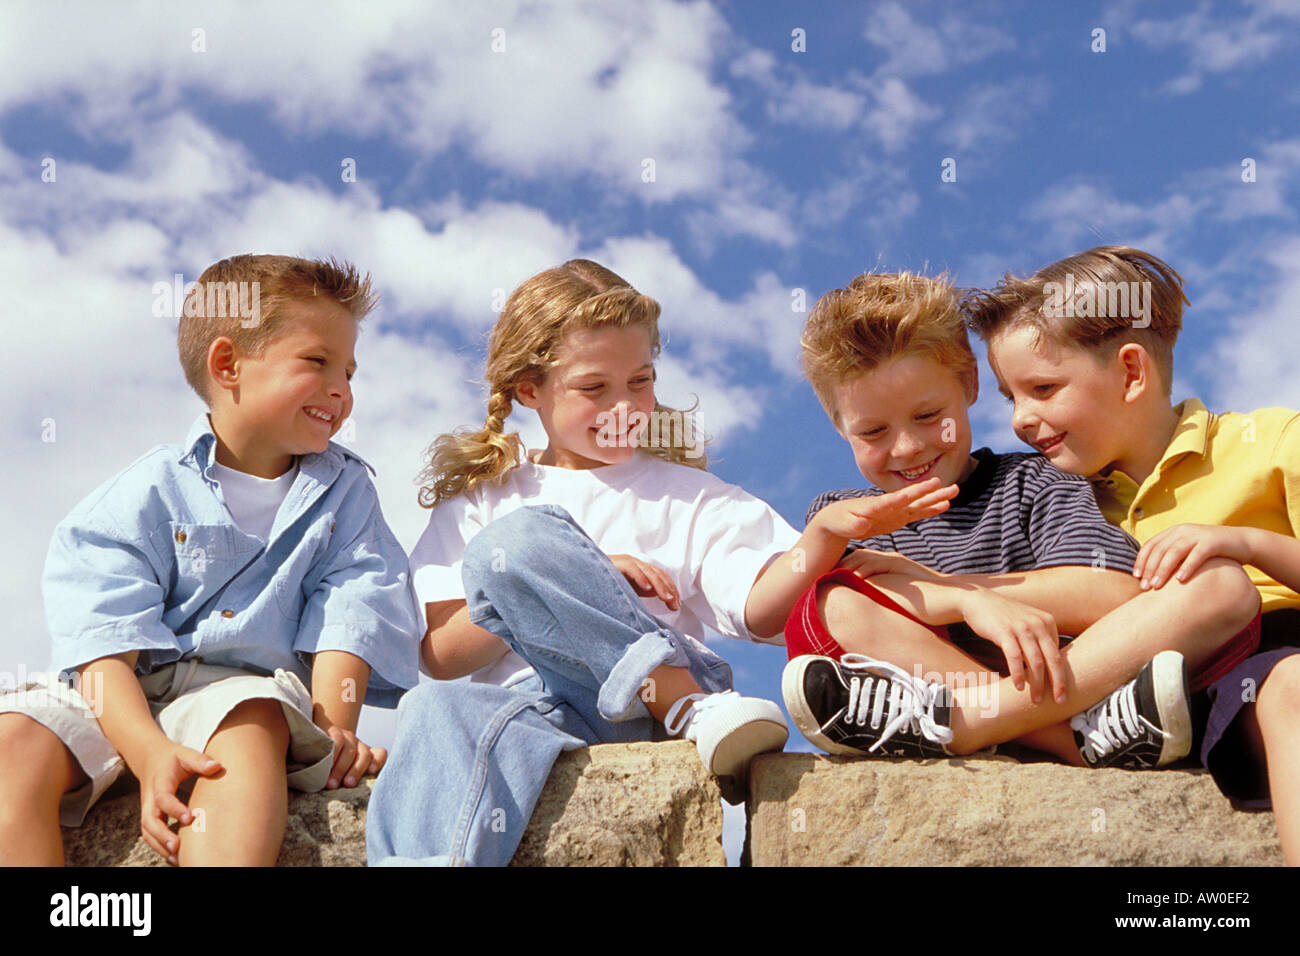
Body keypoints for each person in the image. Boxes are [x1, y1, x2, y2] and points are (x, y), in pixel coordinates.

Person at [366, 259, 804, 866]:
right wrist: (554, 579)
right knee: (433, 707)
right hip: (531, 710)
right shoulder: (485, 499)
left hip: (646, 712)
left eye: (641, 381)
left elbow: (764, 613)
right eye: (594, 388)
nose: (624, 406)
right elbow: (439, 655)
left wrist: (821, 546)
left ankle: (681, 700)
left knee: (519, 539)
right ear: (529, 389)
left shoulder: (690, 496)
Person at [0, 254, 420, 866]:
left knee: (252, 725)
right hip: (119, 694)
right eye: (317, 361)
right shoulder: (143, 493)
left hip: (239, 694)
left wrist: (333, 728)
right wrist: (147, 753)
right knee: (14, 741)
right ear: (228, 365)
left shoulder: (346, 494)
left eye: (350, 372)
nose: (342, 390)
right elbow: (100, 646)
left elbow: (354, 605)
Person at [778, 271, 1259, 771]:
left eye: (927, 417)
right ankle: (1066, 738)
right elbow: (830, 608)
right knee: (829, 602)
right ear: (840, 425)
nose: (907, 447)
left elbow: (1114, 591)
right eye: (874, 430)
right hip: (961, 682)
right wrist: (965, 602)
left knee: (1221, 583)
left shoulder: (1033, 480)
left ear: (969, 383)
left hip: (1076, 678)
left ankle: (969, 725)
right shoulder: (848, 516)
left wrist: (954, 590)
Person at [968, 244, 1300, 863]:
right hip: (1151, 699)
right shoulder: (1062, 505)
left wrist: (1246, 541)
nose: (1020, 419)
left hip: (1275, 663)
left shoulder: (1275, 442)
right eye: (1010, 397)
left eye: (1042, 388)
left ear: (1131, 371)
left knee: (1291, 682)